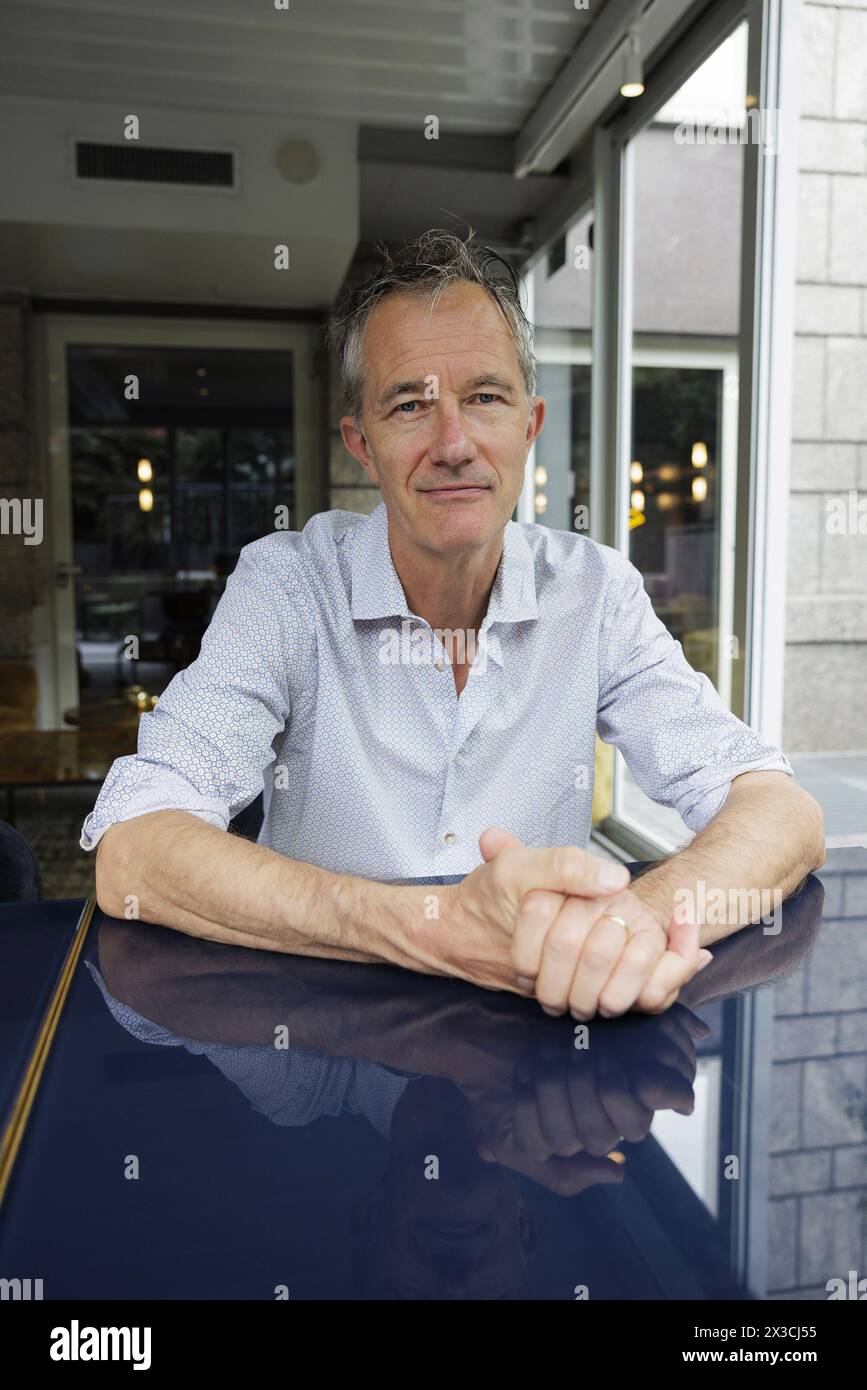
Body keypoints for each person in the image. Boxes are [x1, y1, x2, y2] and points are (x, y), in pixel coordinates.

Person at [83, 230, 824, 1021]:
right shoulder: (288, 585)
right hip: (324, 1035)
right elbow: (134, 849)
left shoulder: (595, 592)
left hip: (539, 1034)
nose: (453, 443)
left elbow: (780, 812)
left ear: (529, 426)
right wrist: (433, 931)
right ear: (361, 444)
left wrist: (631, 924)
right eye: (410, 404)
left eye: (484, 397)